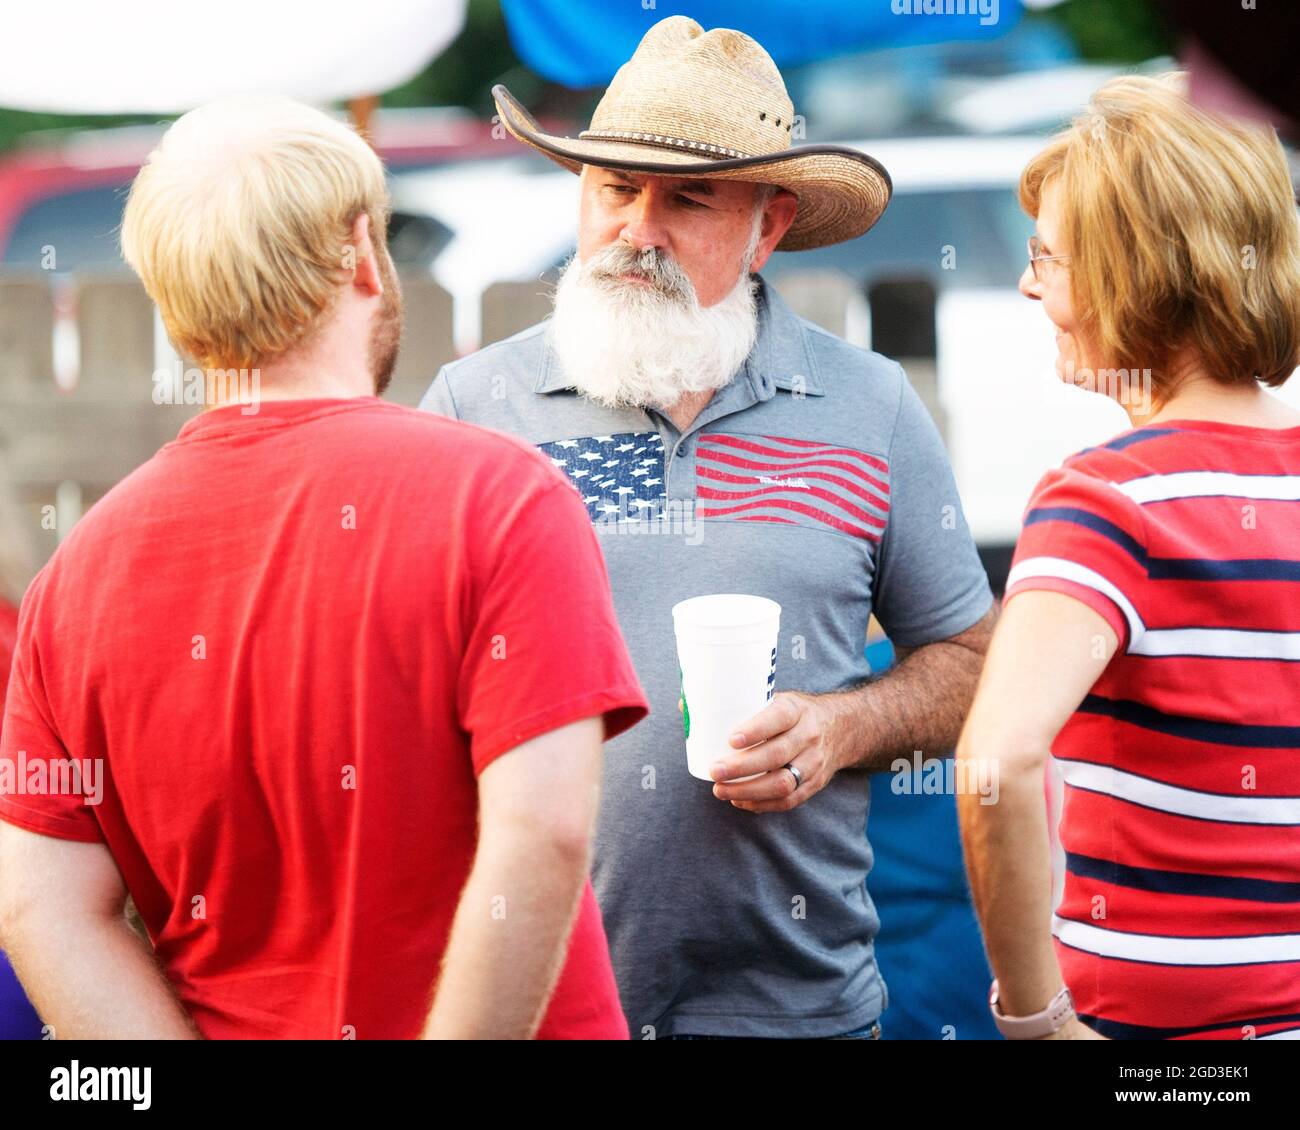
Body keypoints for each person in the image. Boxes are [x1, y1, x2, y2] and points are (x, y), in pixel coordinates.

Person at [0, 96, 648, 1039]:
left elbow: (44, 909)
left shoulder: (76, 582)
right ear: (361, 252)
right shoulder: (502, 498)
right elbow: (541, 833)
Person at [422, 16, 996, 1039]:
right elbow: (397, 685)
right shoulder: (472, 405)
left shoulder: (869, 405)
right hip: (533, 1005)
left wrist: (842, 725)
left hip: (799, 1012)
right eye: (613, 189)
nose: (638, 229)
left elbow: (969, 656)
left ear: (768, 225)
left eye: (686, 198)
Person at [956, 73, 1300, 1040]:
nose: (1029, 285)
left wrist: (1037, 1020)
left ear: (1128, 271)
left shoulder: (1106, 500)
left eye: (1049, 259)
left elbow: (994, 765)